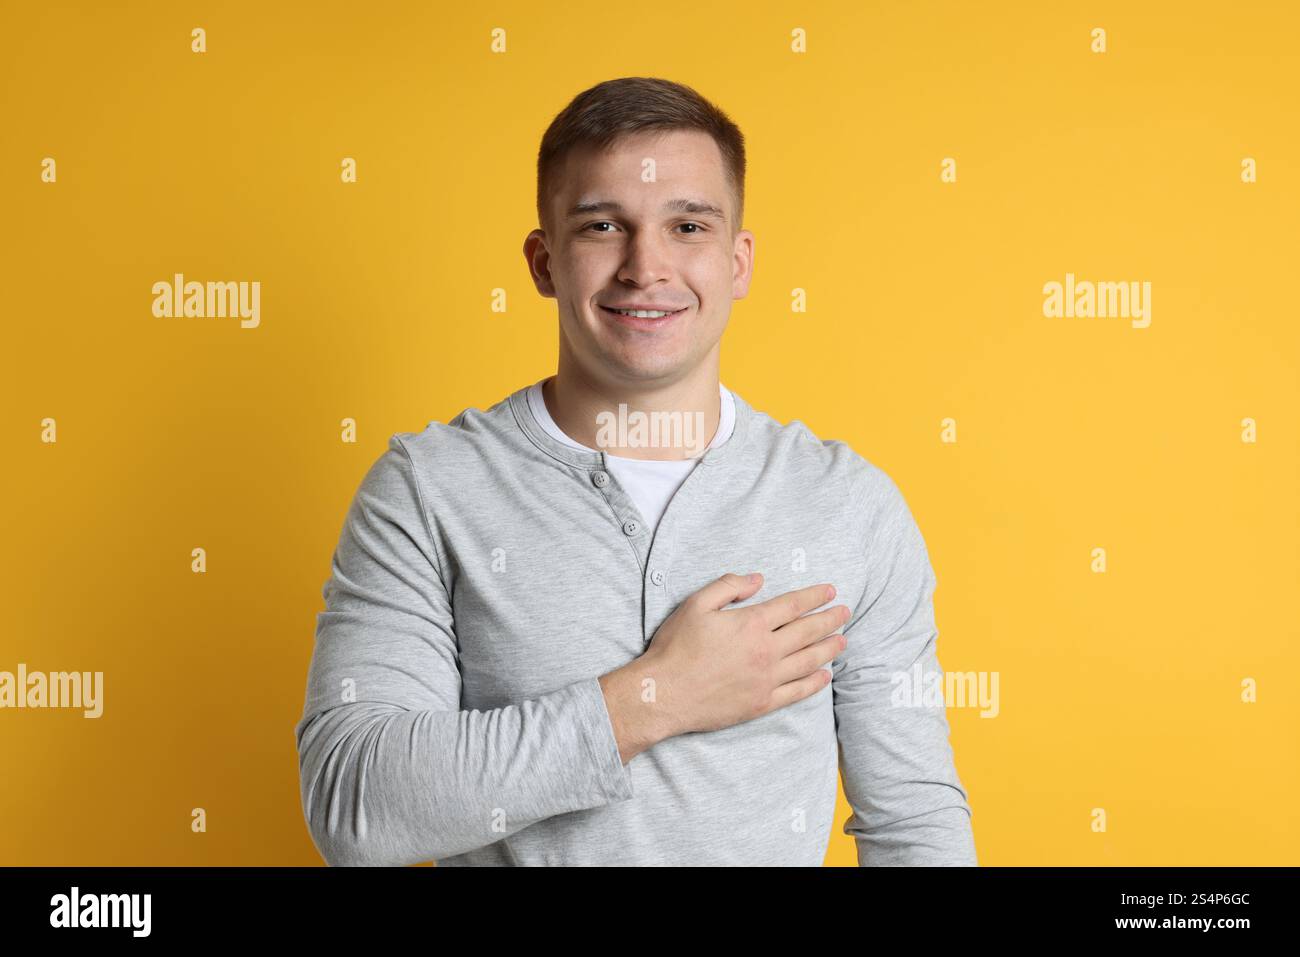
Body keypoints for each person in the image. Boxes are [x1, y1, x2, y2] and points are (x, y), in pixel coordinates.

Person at [294, 76, 977, 866]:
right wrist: (660, 695)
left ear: (739, 261)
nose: (644, 266)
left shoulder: (851, 505)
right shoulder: (426, 488)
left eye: (687, 224)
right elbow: (355, 805)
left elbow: (913, 825)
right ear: (543, 261)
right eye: (602, 226)